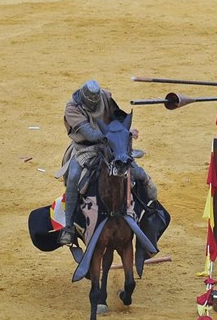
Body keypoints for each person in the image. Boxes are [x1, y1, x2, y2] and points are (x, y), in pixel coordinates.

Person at [56, 81, 157, 246]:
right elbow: (90, 134)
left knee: (126, 162)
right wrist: (117, 134)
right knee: (74, 178)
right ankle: (68, 228)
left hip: (109, 143)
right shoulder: (72, 108)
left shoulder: (105, 96)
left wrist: (124, 132)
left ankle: (145, 179)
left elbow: (117, 117)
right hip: (84, 149)